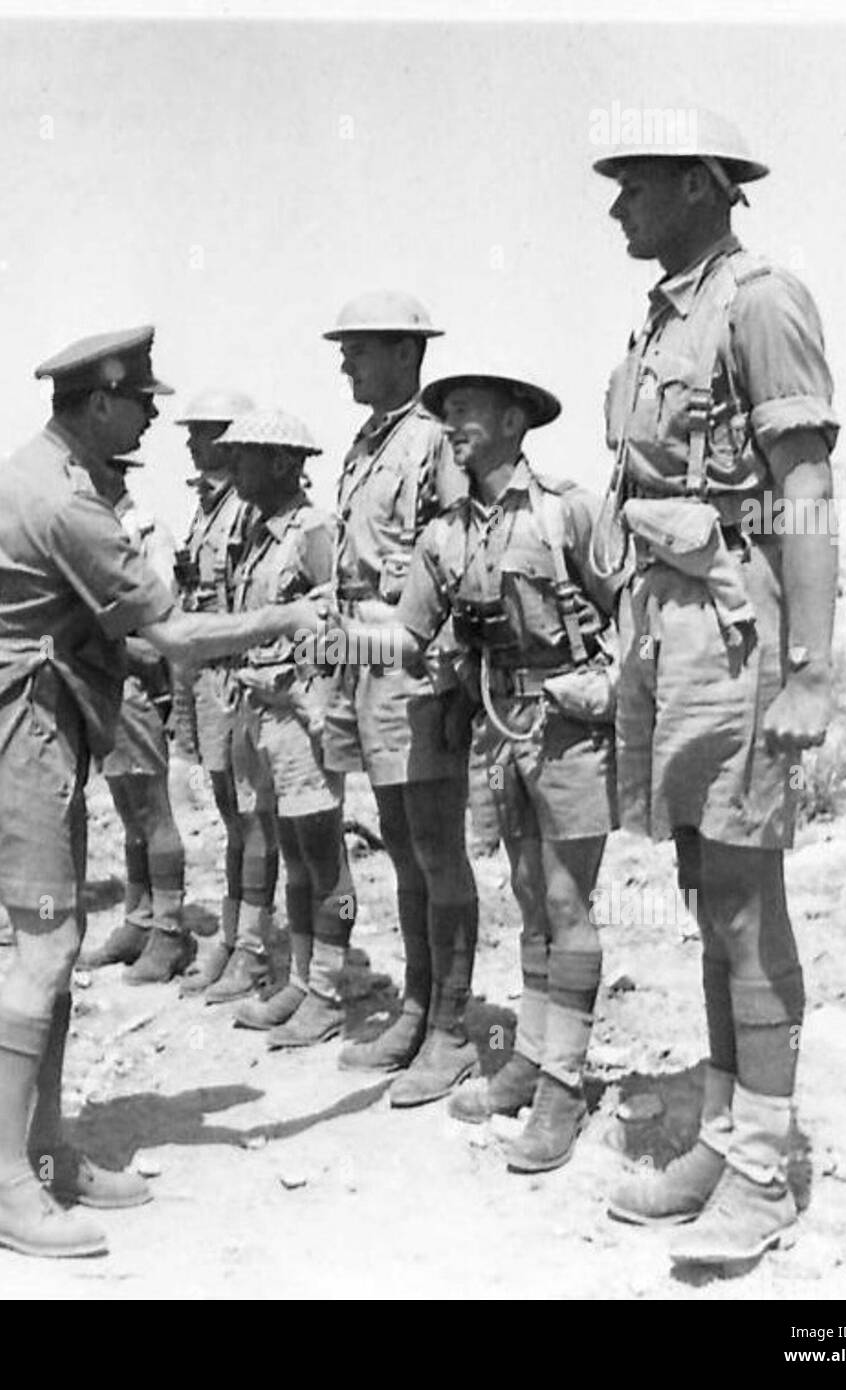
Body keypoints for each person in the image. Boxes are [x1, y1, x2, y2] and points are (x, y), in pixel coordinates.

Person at [0, 328, 328, 1258]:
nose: (152, 414)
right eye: (141, 400)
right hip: (14, 721)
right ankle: (7, 1187)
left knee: (51, 941)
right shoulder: (66, 501)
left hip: (37, 715)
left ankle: (45, 1154)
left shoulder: (55, 477)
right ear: (98, 402)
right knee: (48, 943)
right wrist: (291, 616)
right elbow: (172, 636)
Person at [587, 112, 839, 1263]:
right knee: (702, 885)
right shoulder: (664, 317)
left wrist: (810, 668)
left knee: (743, 897)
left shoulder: (759, 299)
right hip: (669, 628)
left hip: (737, 629)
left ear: (698, 184)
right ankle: (726, 1130)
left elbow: (803, 488)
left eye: (633, 182)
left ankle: (765, 1166)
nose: (615, 206)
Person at [328, 370, 621, 1166]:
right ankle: (529, 1056)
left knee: (565, 902)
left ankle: (562, 1087)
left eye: (464, 413)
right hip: (500, 732)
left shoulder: (568, 510)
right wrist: (318, 634)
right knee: (530, 898)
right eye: (446, 413)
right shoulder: (443, 535)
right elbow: (411, 637)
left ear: (514, 418)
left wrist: (601, 690)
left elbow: (630, 617)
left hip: (570, 728)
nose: (451, 426)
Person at [321, 291, 481, 1107]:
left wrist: (451, 675)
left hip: (417, 662)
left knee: (436, 846)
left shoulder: (429, 441)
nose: (344, 361)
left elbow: (455, 551)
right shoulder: (366, 443)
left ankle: (451, 1028)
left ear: (403, 353)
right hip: (367, 656)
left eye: (358, 348)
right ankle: (419, 1008)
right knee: (400, 841)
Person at [213, 408, 357, 1045]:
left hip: (300, 712)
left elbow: (341, 623)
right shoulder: (257, 533)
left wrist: (315, 702)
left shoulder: (313, 530)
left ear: (280, 462)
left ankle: (329, 989)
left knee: (322, 854)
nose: (233, 468)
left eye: (245, 456)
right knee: (292, 855)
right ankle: (301, 979)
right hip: (259, 711)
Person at [164, 389, 279, 1001]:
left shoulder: (245, 508)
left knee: (254, 819)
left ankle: (253, 945)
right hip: (207, 674)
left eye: (203, 431)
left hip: (239, 673)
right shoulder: (207, 506)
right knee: (232, 819)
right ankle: (232, 937)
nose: (191, 441)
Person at [78, 459, 191, 981]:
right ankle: (139, 919)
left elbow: (157, 618)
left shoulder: (146, 532)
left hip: (134, 680)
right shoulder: (88, 530)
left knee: (152, 808)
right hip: (101, 680)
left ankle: (170, 932)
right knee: (127, 807)